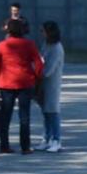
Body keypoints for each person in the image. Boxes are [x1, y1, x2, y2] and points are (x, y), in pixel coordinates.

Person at [0, 18, 44, 154]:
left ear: (8, 30)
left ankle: (4, 145)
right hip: (25, 82)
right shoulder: (29, 44)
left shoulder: (2, 45)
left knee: (5, 116)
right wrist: (36, 77)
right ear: (22, 30)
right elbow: (39, 63)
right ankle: (25, 147)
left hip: (6, 83)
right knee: (24, 116)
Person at [38, 21, 67, 153]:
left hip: (52, 83)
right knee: (46, 112)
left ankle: (56, 140)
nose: (41, 33)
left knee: (53, 111)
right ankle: (47, 138)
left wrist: (38, 70)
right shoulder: (46, 44)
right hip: (43, 83)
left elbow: (49, 69)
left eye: (43, 31)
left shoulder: (56, 47)